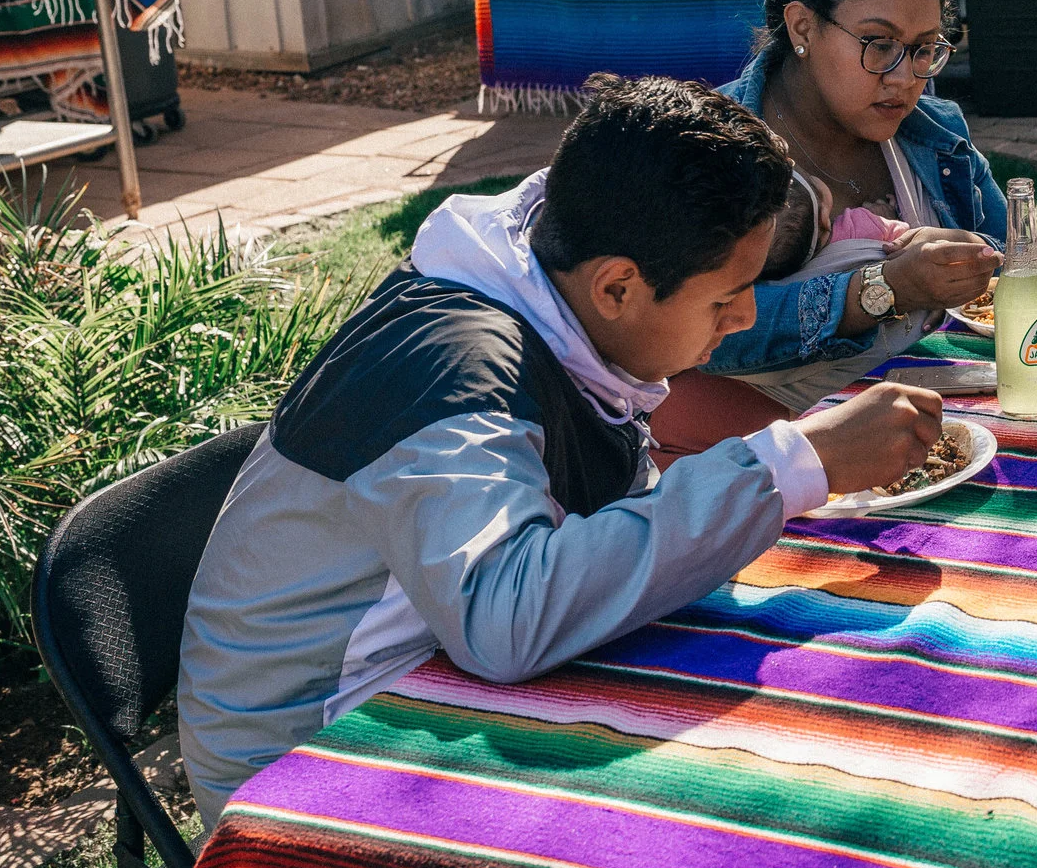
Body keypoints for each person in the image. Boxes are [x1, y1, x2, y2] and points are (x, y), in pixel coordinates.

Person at [175, 76, 946, 820]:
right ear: (616, 287)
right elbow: (506, 617)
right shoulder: (458, 372)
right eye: (724, 296)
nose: (743, 318)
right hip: (295, 758)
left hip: (418, 680)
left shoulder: (554, 274)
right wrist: (792, 463)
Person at [644, 0, 1007, 450]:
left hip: (936, 415)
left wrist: (979, 266)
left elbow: (1015, 264)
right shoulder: (713, 149)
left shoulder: (933, 137)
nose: (904, 77)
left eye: (923, 49)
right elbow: (682, 328)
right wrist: (882, 289)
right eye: (878, 44)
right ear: (803, 28)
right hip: (749, 440)